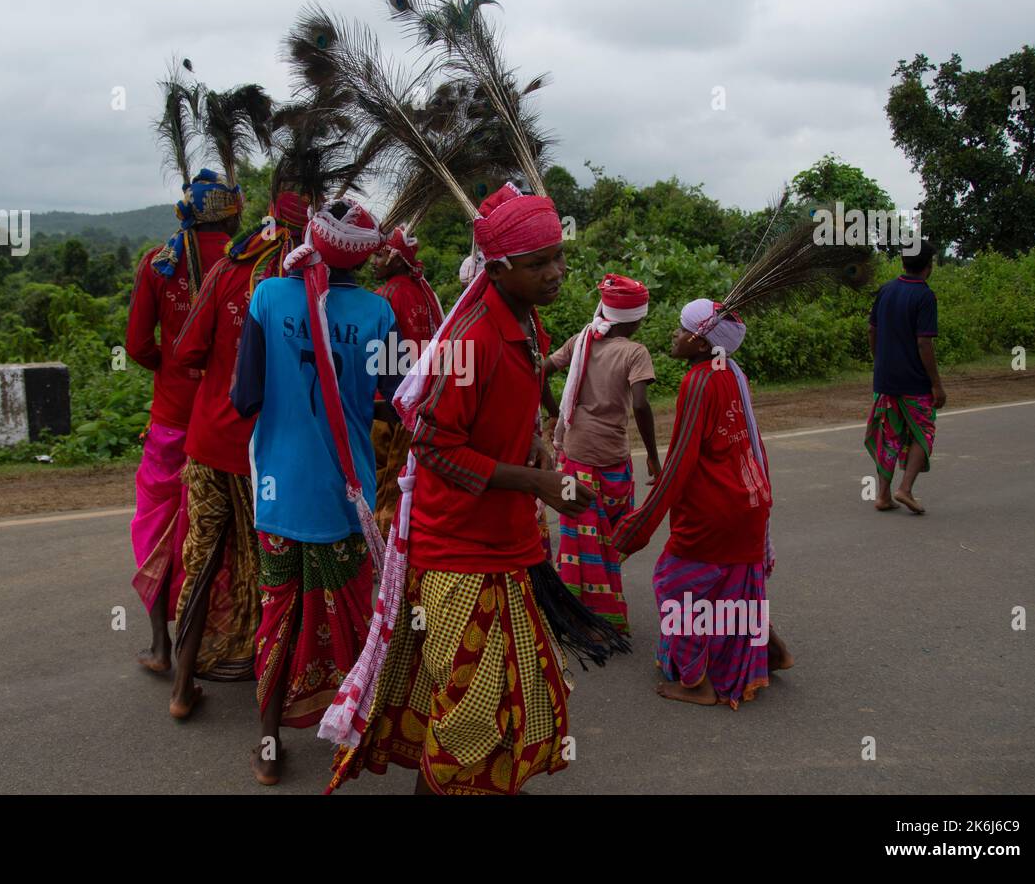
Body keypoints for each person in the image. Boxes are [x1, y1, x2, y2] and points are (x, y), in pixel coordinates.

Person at [326, 184, 609, 796]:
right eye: (540, 264)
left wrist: (537, 448)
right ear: (498, 268)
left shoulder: (524, 317)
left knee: (512, 704)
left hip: (507, 545)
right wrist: (538, 482)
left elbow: (518, 406)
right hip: (460, 554)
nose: (557, 272)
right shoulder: (470, 342)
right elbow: (433, 447)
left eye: (559, 256)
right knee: (469, 720)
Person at [231, 198, 400, 785]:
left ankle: (270, 747)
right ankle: (348, 737)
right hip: (345, 496)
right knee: (349, 618)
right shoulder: (379, 313)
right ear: (365, 256)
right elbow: (394, 399)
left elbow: (244, 398)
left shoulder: (268, 297)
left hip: (278, 495)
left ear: (312, 239)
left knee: (278, 618)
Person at [166, 191, 309, 718]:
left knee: (201, 557)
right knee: (273, 564)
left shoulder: (228, 267)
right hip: (267, 452)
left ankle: (183, 689)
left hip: (208, 442)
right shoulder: (305, 283)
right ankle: (270, 701)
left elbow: (185, 351)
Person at [611, 299, 793, 709]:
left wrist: (640, 525)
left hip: (715, 511)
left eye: (680, 329)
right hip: (749, 502)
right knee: (736, 588)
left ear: (700, 340)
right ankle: (771, 652)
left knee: (674, 585)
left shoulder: (699, 381)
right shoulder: (732, 373)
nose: (673, 336)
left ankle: (697, 683)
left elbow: (680, 461)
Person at [127, 169, 241, 674]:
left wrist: (170, 370)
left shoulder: (158, 263)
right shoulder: (251, 264)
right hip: (230, 421)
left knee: (157, 530)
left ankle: (161, 647)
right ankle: (228, 643)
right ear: (233, 211)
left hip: (171, 420)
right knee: (226, 534)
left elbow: (137, 346)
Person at [541, 273, 658, 631]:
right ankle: (600, 612)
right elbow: (640, 404)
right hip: (612, 457)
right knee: (612, 532)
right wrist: (653, 454)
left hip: (574, 454)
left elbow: (540, 370)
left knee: (581, 536)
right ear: (636, 319)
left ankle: (576, 606)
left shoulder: (582, 341)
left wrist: (551, 411)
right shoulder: (635, 352)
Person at [370, 225, 443, 536]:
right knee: (403, 479)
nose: (374, 260)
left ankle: (381, 550)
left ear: (399, 260)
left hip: (388, 408)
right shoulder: (424, 293)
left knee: (382, 481)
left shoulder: (385, 297)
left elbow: (378, 359)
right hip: (420, 405)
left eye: (381, 254)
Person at [865, 241, 944, 515]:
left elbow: (872, 331)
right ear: (928, 266)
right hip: (914, 382)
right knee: (924, 432)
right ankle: (905, 489)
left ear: (903, 263)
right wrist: (936, 383)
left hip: (885, 379)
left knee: (889, 434)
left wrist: (880, 362)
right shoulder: (925, 296)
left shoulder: (886, 291)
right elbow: (924, 343)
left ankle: (883, 495)